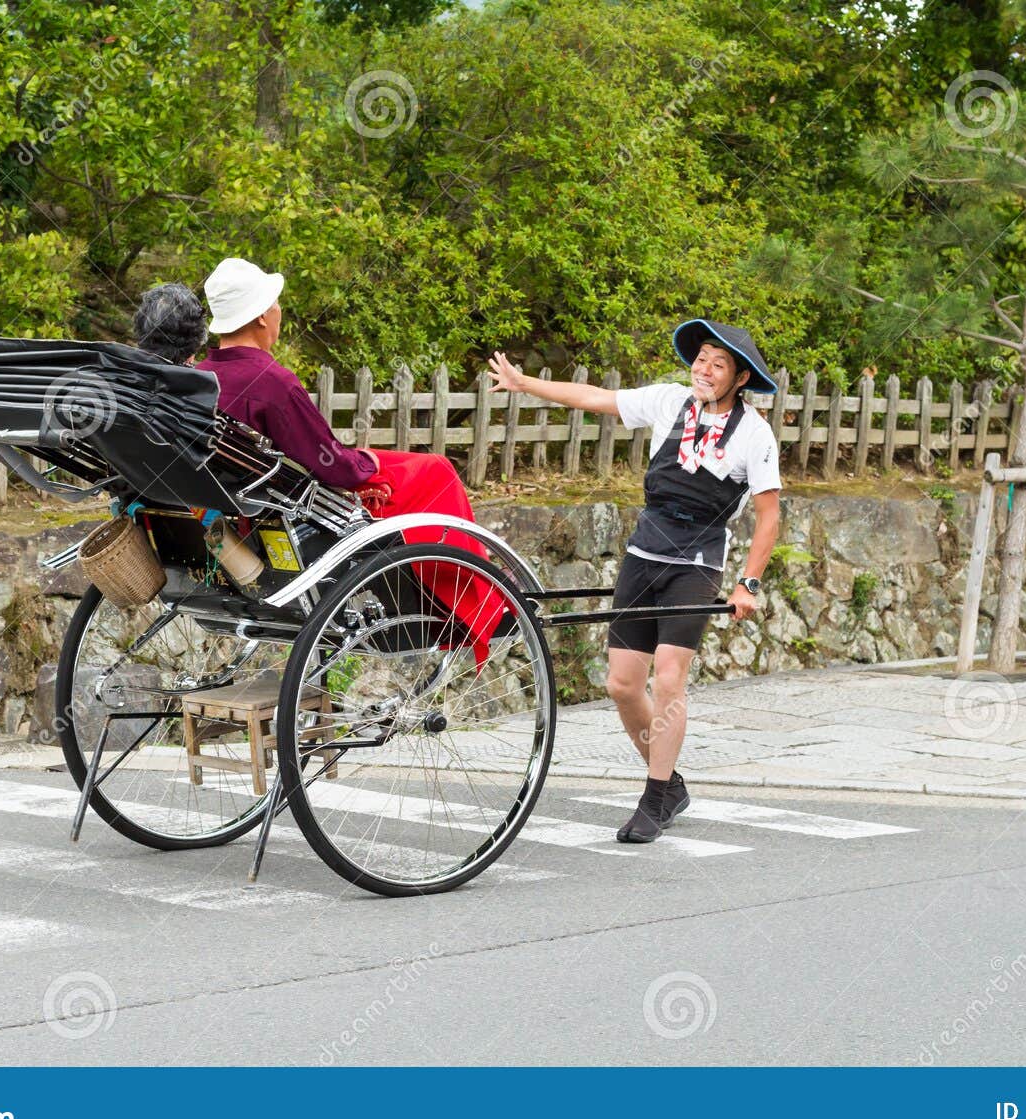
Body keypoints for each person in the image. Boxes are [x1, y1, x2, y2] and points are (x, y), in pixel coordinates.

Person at [488, 320, 782, 843]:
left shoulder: (755, 434)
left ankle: (654, 794)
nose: (704, 369)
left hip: (697, 564)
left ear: (739, 379)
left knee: (670, 678)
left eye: (719, 364)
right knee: (622, 685)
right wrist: (527, 384)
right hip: (643, 554)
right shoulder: (671, 402)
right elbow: (596, 398)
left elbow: (769, 517)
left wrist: (748, 584)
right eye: (702, 359)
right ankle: (671, 784)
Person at [193, 258, 505, 648]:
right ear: (259, 317)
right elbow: (334, 467)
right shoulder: (271, 381)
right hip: (288, 507)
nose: (279, 313)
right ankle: (469, 600)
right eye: (275, 305)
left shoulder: (199, 378)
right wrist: (365, 465)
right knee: (435, 470)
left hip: (232, 502)